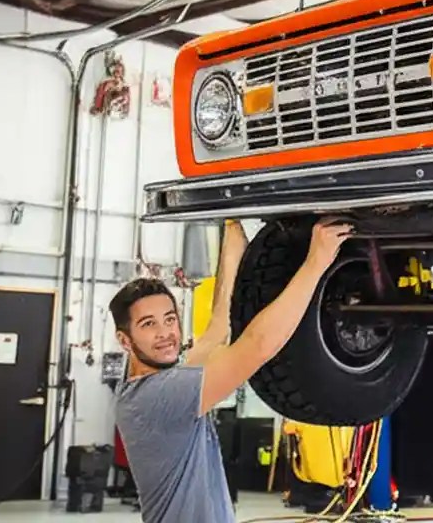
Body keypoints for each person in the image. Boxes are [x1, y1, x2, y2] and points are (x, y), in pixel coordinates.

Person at [108, 218, 353, 523]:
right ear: (124, 340)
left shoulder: (144, 385)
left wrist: (232, 224)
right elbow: (258, 344)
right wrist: (317, 261)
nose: (165, 333)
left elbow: (218, 329)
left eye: (169, 319)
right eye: (149, 325)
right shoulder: (159, 395)